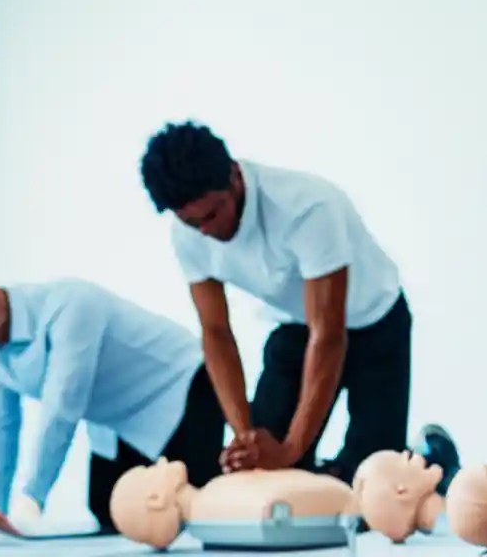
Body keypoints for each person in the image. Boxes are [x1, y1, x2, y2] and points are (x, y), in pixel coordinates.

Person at [138, 120, 458, 490]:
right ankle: (324, 470)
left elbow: (329, 334)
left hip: (375, 324)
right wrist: (245, 438)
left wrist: (290, 449)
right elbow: (216, 332)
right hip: (295, 328)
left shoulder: (307, 207)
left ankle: (432, 460)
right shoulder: (188, 232)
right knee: (260, 472)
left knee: (375, 489)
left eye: (212, 214)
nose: (205, 231)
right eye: (192, 222)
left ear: (234, 177)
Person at [0, 268, 225, 533]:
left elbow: (63, 403)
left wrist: (32, 498)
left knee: (199, 504)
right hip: (116, 421)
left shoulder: (71, 303)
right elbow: (1, 424)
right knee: (108, 511)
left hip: (179, 387)